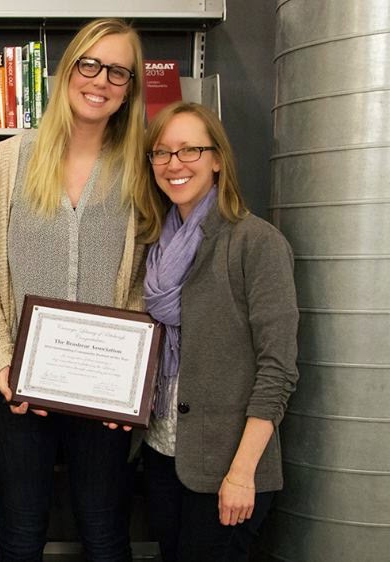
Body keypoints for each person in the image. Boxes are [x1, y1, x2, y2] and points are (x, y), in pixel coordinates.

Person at [0, 18, 147, 562]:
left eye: (118, 71)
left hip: (104, 391)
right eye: (90, 64)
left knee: (106, 534)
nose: (101, 80)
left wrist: (129, 378)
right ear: (67, 72)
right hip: (15, 387)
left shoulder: (142, 169)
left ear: (130, 88)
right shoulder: (4, 161)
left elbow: (145, 283)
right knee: (21, 536)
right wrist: (2, 365)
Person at [133, 101, 298, 561]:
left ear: (218, 160)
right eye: (162, 152)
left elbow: (278, 369)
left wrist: (242, 473)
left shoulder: (256, 242)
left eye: (190, 150)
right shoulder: (154, 247)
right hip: (162, 456)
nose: (174, 164)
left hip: (228, 470)